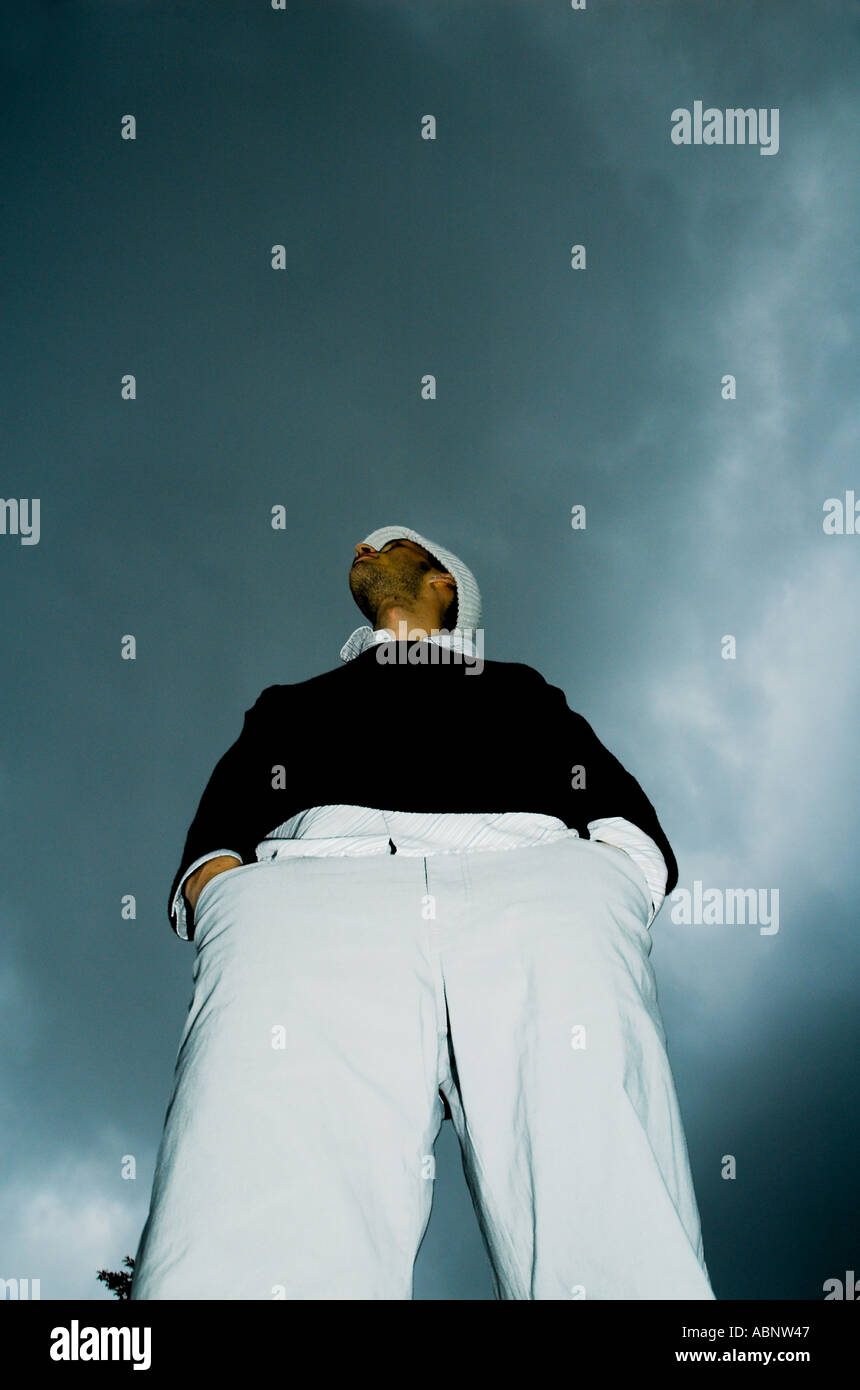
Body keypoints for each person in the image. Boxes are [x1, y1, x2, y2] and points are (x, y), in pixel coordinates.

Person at [130, 524, 715, 1301]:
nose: (362, 549)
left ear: (446, 584)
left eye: (393, 544)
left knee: (610, 1205)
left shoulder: (519, 686)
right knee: (251, 1217)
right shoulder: (288, 703)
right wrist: (219, 884)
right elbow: (232, 804)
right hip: (311, 904)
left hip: (536, 891)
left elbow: (599, 783)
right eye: (363, 546)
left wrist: (612, 876)